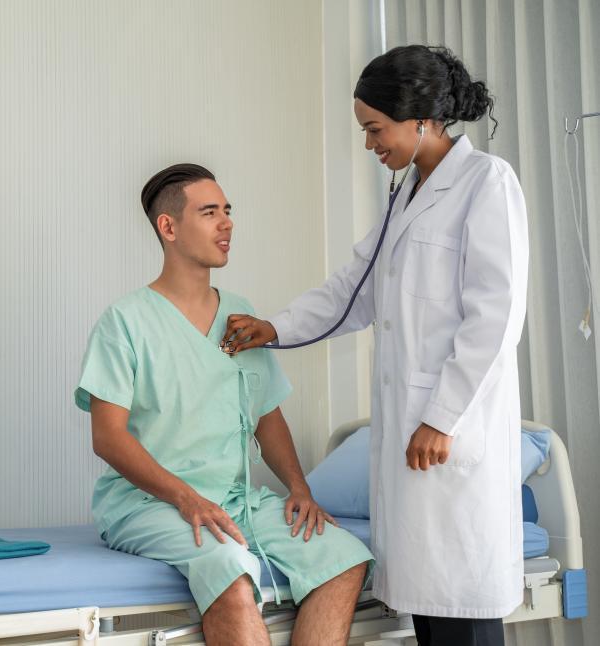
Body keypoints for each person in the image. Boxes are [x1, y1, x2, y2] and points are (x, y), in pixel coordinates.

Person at [221, 45, 528, 646]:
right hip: (412, 446)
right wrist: (274, 327)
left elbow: (495, 316)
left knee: (464, 615)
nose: (369, 145)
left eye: (374, 129)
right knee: (434, 618)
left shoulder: (486, 182)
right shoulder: (408, 195)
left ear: (419, 119)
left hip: (449, 436)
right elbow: (352, 290)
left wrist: (442, 419)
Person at [74, 163, 374, 646]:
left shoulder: (239, 314)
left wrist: (298, 487)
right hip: (148, 504)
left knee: (344, 557)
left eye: (227, 211)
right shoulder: (125, 321)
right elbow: (108, 437)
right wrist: (186, 497)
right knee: (231, 566)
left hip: (233, 501)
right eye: (209, 212)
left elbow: (266, 416)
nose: (227, 223)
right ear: (168, 227)